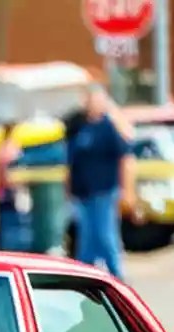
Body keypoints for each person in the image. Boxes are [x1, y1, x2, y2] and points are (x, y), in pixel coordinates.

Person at [65, 86, 135, 280]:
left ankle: (117, 277)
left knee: (106, 236)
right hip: (83, 193)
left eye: (95, 101)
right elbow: (70, 161)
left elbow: (125, 158)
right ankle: (85, 278)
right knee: (86, 239)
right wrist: (68, 186)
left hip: (105, 191)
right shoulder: (78, 128)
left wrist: (127, 190)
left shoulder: (109, 127)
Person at [0, 122, 30, 252]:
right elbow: (8, 174)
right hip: (12, 193)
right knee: (15, 226)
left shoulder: (1, 149)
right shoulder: (12, 150)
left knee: (7, 226)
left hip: (2, 193)